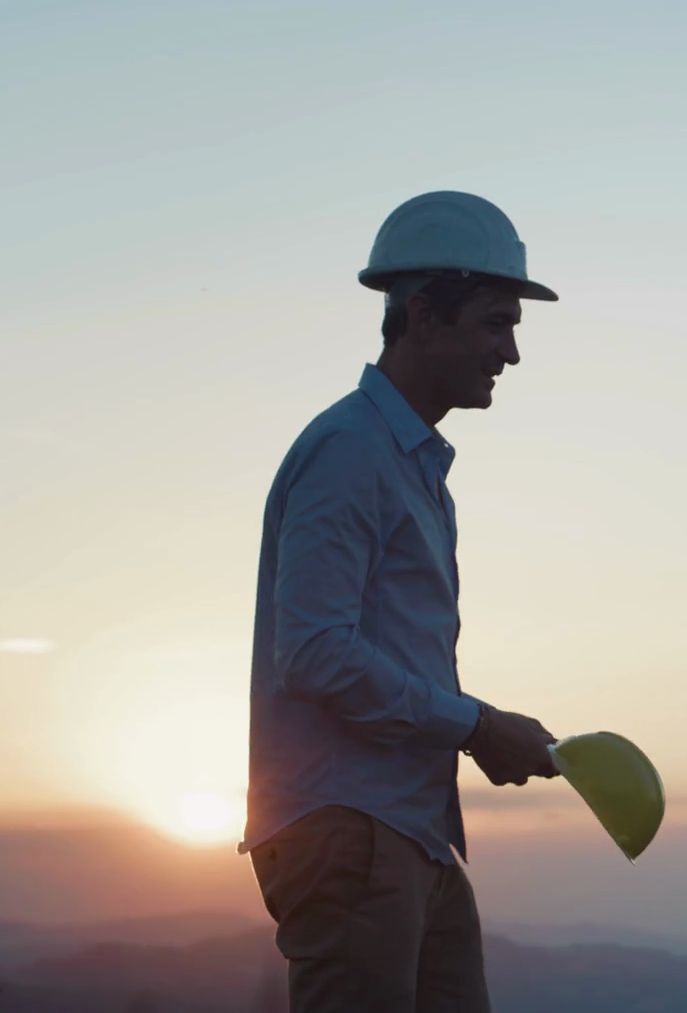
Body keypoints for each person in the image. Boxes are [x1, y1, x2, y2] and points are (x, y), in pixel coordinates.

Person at [240, 191, 563, 1012]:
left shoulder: (413, 468)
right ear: (424, 314)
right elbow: (314, 652)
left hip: (410, 833)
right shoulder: (351, 451)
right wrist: (479, 725)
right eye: (496, 322)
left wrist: (473, 735)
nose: (513, 352)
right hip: (351, 831)